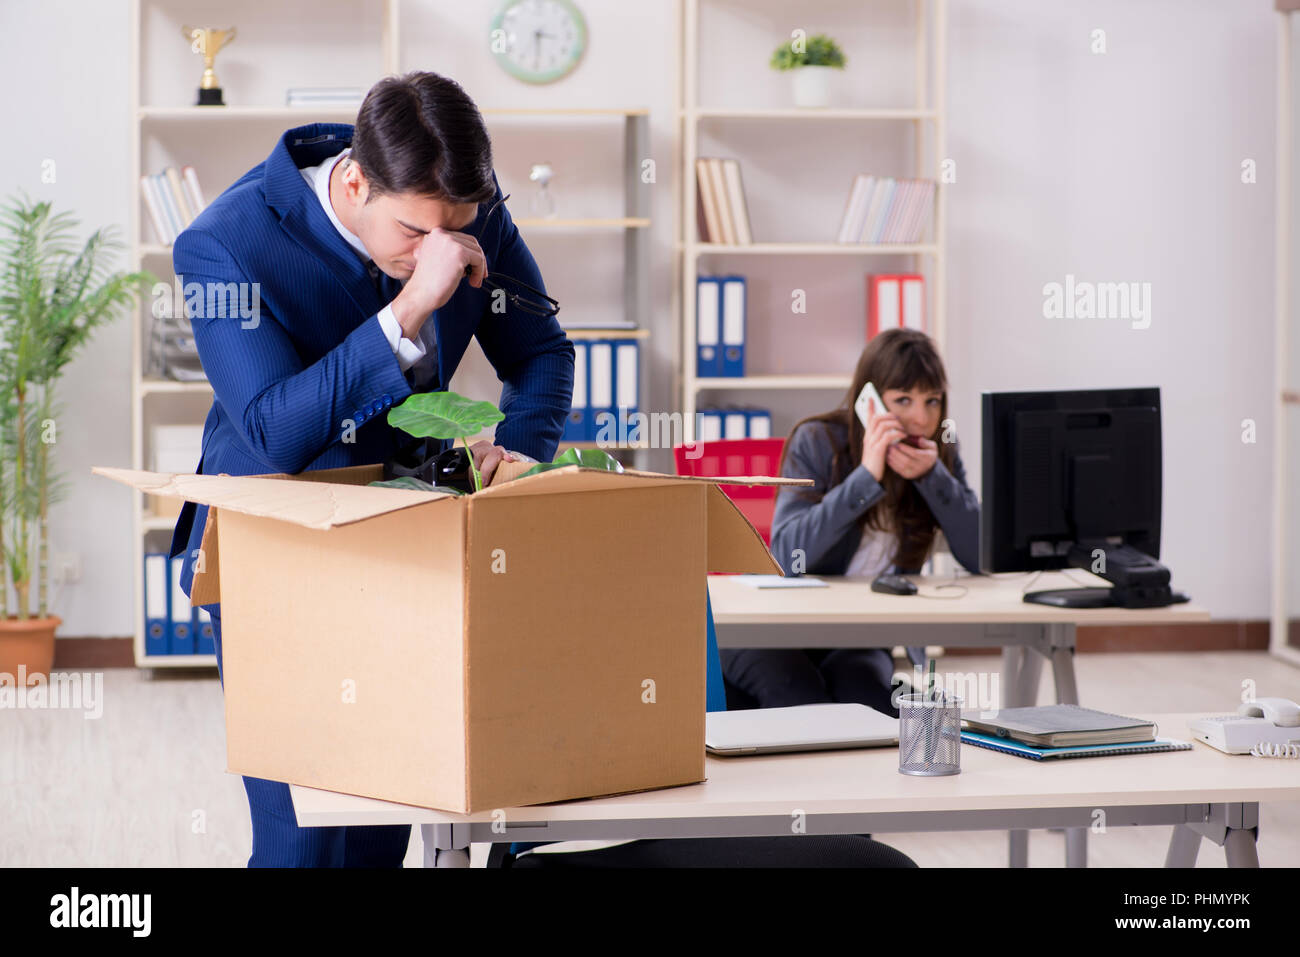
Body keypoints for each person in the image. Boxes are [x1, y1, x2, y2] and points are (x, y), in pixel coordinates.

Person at [167, 71, 574, 867]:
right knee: (306, 838)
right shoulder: (225, 242)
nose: (447, 251)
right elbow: (273, 430)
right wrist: (409, 308)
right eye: (418, 235)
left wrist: (518, 450)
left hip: (407, 537)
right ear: (354, 181)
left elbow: (541, 354)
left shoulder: (465, 211)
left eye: (460, 230)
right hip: (273, 542)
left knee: (386, 817)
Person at [720, 328, 980, 716]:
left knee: (868, 699)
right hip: (771, 630)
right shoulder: (817, 440)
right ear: (869, 401)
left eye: (932, 401)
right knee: (802, 698)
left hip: (857, 635)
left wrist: (933, 478)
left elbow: (981, 554)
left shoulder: (939, 455)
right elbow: (788, 555)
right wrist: (866, 478)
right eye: (903, 400)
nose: (920, 419)